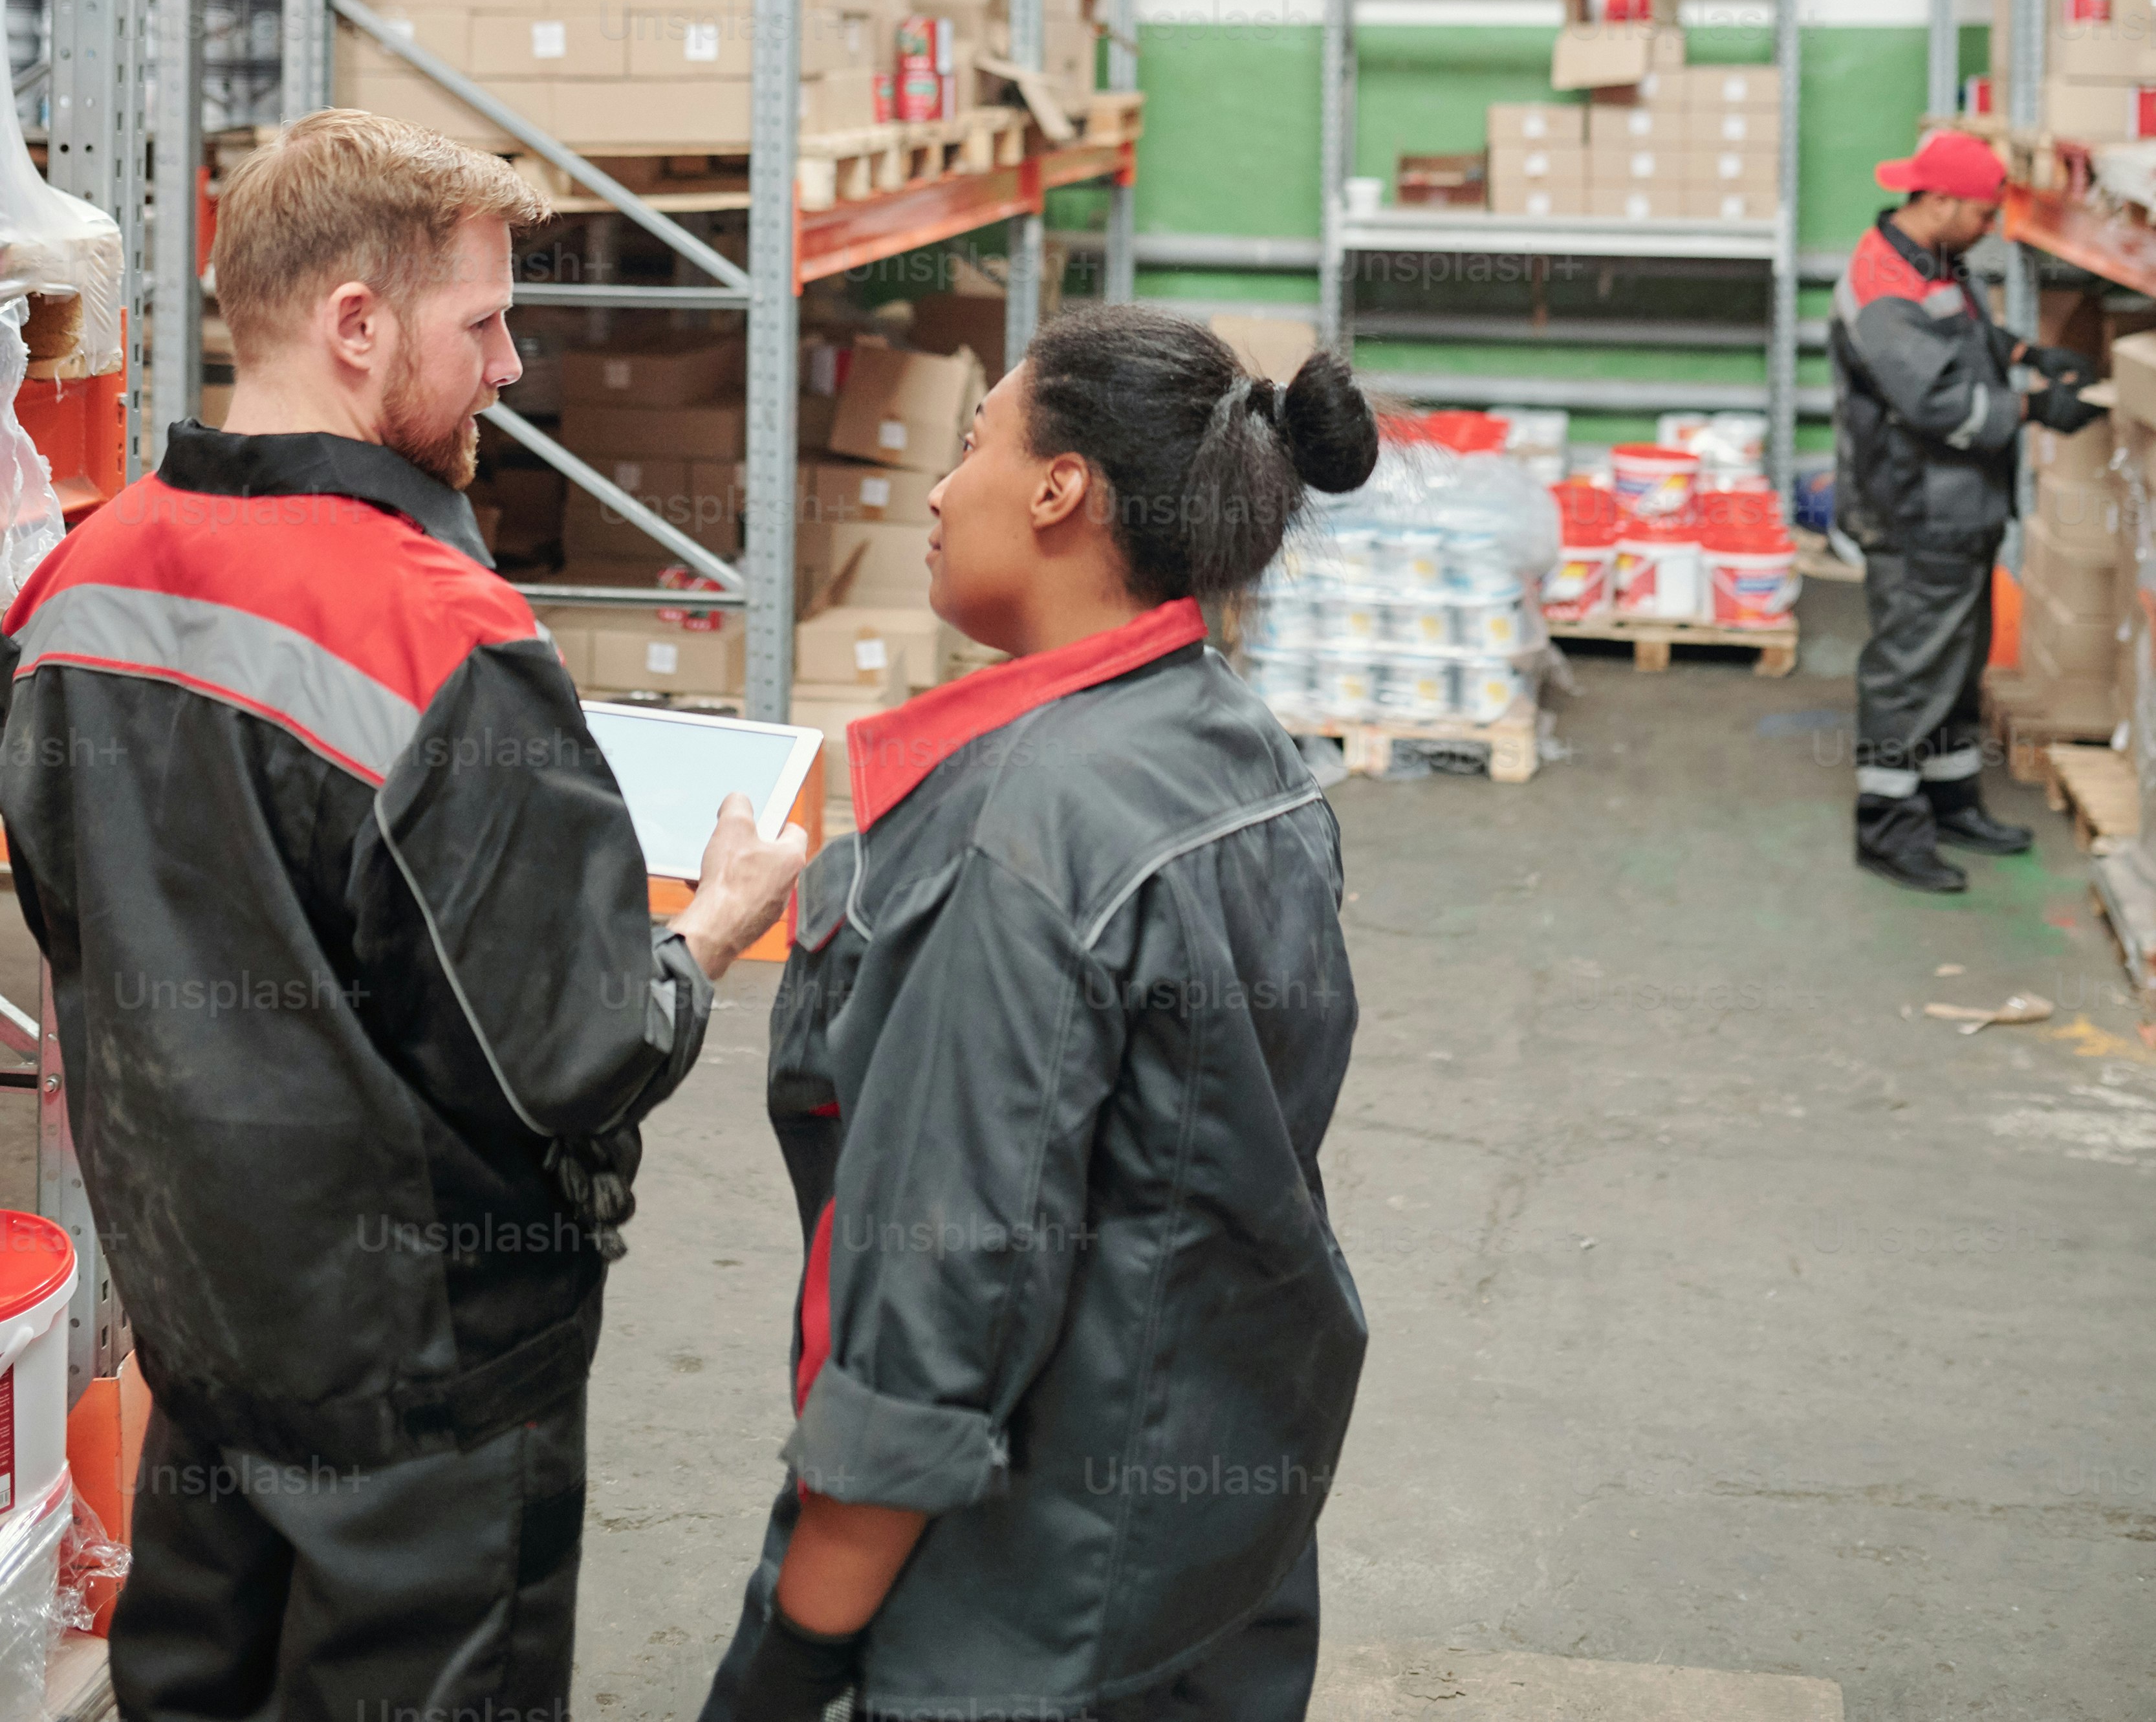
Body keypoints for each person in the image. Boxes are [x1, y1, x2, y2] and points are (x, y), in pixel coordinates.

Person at [0, 109, 805, 1722]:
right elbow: (572, 1052)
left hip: (201, 1346)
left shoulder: (77, 594)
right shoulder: (443, 639)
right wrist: (709, 930)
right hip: (423, 1399)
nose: (510, 368)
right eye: (485, 321)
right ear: (356, 324)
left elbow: (74, 913)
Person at [703, 306, 1380, 1722]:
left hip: (1018, 1612)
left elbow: (938, 1302)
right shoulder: (1247, 755)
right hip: (1217, 1547)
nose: (941, 492)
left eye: (970, 445)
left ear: (1060, 488)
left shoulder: (1016, 838)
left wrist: (786, 1656)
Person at [1829, 127, 2103, 893]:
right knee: (1910, 669)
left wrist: (2026, 355)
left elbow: (1966, 339)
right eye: (1985, 212)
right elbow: (1933, 399)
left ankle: (1950, 799)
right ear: (1941, 200)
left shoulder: (1935, 259)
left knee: (1957, 662)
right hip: (1914, 508)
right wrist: (2037, 407)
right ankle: (1887, 825)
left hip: (1961, 503)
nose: (1992, 226)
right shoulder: (1881, 284)